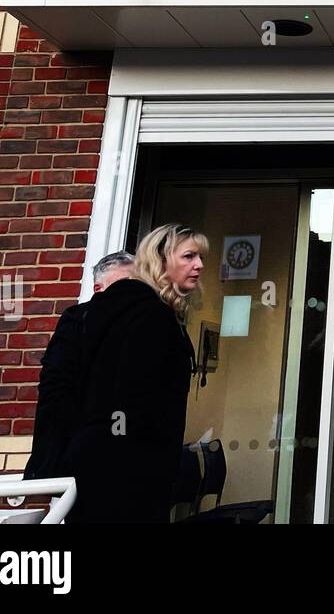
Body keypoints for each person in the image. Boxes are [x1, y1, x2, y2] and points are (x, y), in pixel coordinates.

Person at [63, 224, 202, 523]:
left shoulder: (148, 310)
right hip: (123, 476)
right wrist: (132, 458)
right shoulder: (147, 313)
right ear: (161, 259)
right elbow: (123, 395)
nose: (199, 265)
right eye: (189, 256)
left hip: (120, 467)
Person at [23, 251, 134, 482]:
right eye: (123, 286)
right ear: (98, 289)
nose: (130, 294)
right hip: (83, 450)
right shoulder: (78, 322)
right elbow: (56, 389)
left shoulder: (139, 326)